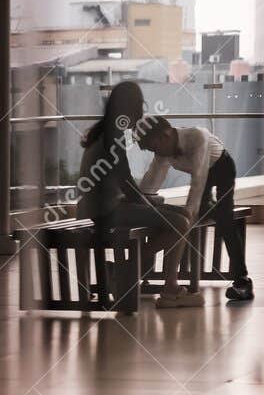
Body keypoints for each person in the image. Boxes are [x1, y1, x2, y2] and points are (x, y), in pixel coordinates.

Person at [75, 82, 188, 299]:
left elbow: (121, 182)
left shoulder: (105, 130)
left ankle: (128, 271)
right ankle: (133, 273)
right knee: (180, 222)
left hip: (102, 206)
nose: (141, 111)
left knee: (180, 214)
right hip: (105, 211)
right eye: (139, 106)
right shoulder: (112, 136)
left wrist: (147, 203)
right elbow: (125, 180)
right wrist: (147, 204)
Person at [138, 118, 254, 306]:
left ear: (166, 135)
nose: (156, 153)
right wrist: (141, 199)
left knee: (224, 219)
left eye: (155, 148)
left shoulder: (197, 136)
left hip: (222, 167)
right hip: (201, 174)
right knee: (196, 213)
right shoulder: (162, 150)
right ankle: (159, 276)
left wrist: (188, 213)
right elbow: (153, 176)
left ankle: (243, 280)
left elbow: (199, 179)